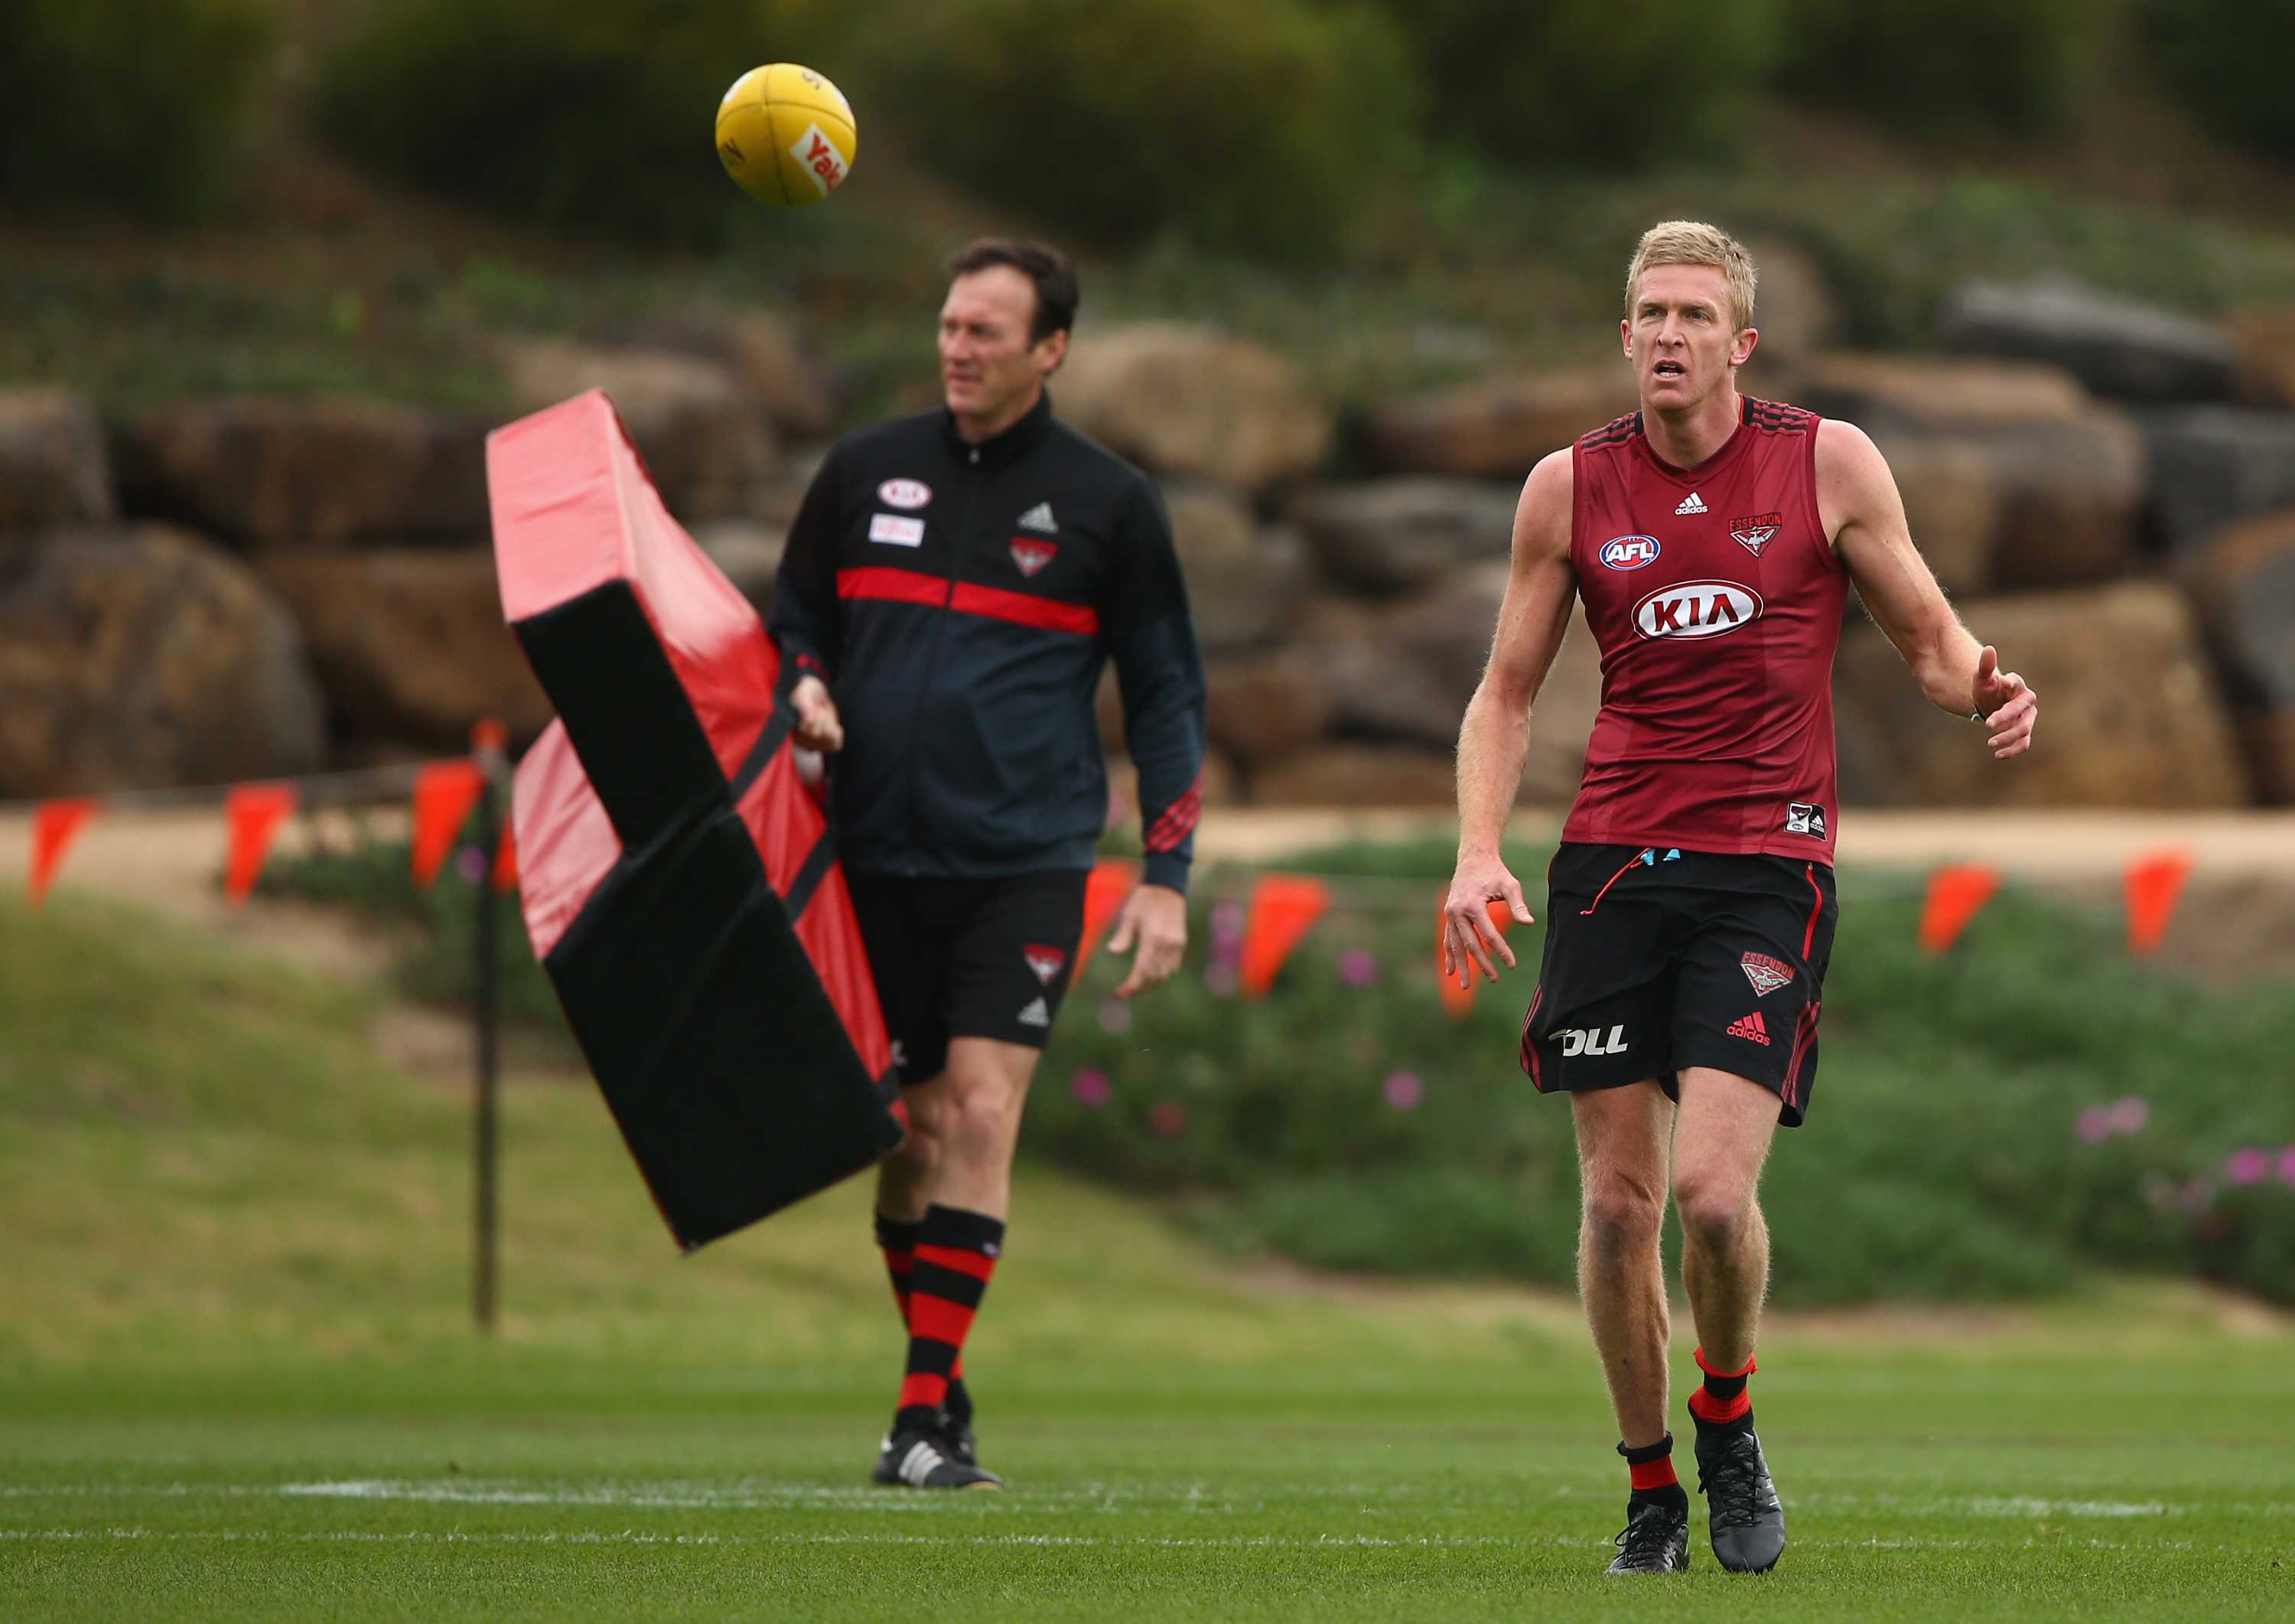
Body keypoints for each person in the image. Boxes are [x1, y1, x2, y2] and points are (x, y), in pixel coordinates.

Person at [1440, 221, 2038, 1575]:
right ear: (1625, 335)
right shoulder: (1566, 488)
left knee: (1712, 1198)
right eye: (1650, 314)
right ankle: (1651, 1492)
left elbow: (1930, 641)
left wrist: (1987, 687)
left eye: (1695, 316)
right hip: (1612, 866)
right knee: (1618, 1209)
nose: (1669, 335)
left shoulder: (1828, 462)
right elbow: (1506, 694)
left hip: (1769, 869)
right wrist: (1478, 851)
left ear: (1742, 342)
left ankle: (1727, 1418)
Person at [770, 238, 1207, 1491]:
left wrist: (1166, 876)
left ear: (1049, 350)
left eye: (987, 333)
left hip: (1026, 859)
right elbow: (793, 621)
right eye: (950, 327)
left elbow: (1167, 697)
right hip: (868, 855)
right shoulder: (862, 471)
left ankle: (917, 1422)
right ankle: (941, 1381)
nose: (958, 350)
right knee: (905, 1138)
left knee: (977, 1110)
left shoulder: (1110, 503)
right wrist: (805, 685)